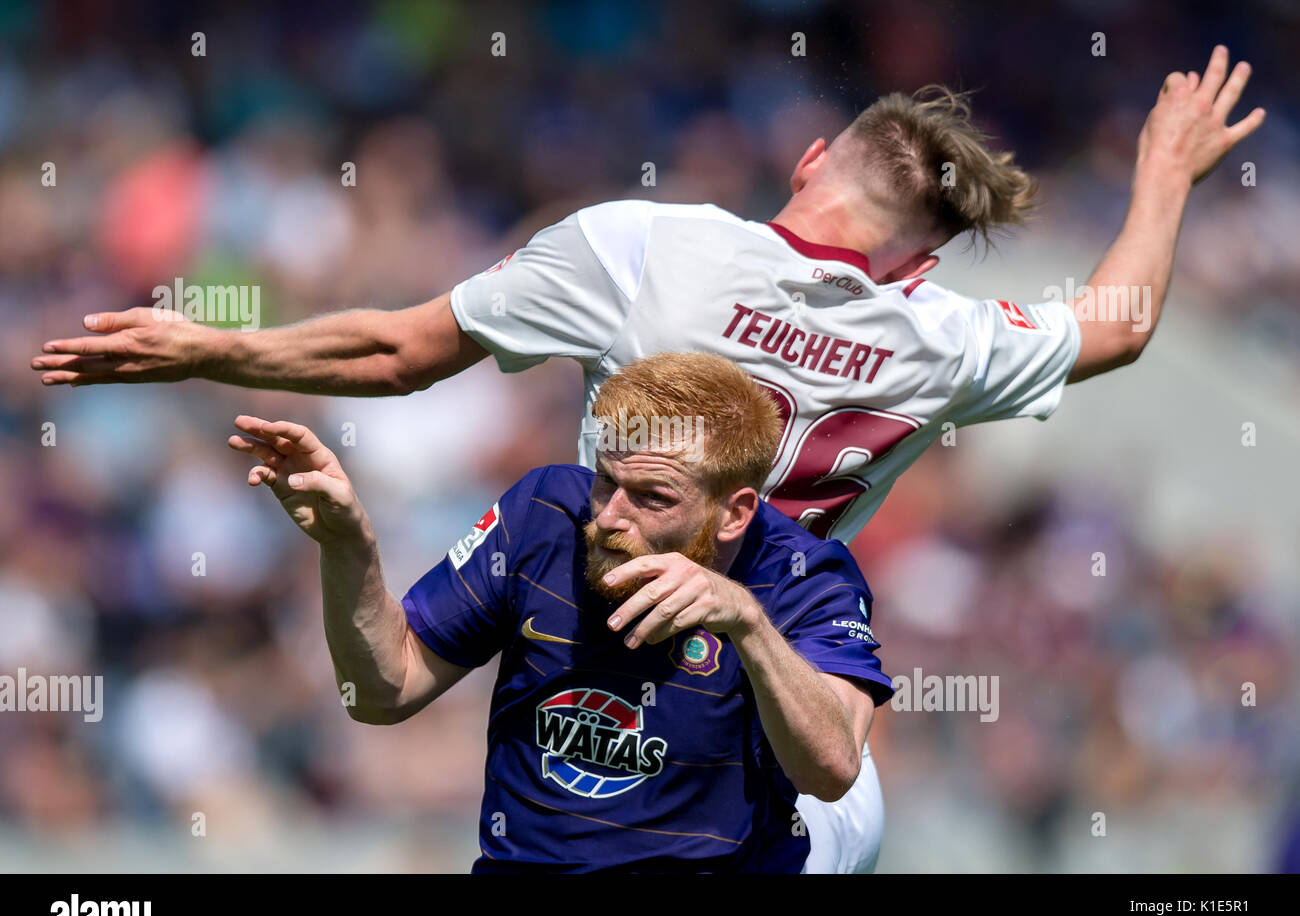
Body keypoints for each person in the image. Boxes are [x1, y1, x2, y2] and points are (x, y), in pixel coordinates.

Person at [32, 45, 1264, 872]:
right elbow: (1120, 325)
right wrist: (1160, 174)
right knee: (848, 809)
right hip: (765, 685)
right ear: (922, 259)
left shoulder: (641, 248)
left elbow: (399, 353)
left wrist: (209, 346)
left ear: (803, 169)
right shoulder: (938, 334)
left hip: (591, 640)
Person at [229, 352, 893, 872]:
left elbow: (831, 770)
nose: (608, 517)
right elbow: (381, 690)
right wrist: (349, 548)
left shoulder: (804, 572)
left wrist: (746, 622)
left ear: (735, 512)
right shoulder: (544, 513)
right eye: (607, 480)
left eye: (652, 497)